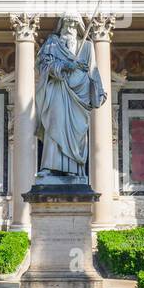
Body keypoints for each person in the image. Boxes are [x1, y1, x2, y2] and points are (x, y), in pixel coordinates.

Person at [35, 17, 107, 182]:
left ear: (79, 27)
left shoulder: (87, 47)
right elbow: (44, 66)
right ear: (61, 25)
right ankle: (49, 167)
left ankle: (72, 170)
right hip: (58, 93)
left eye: (74, 24)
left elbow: (93, 71)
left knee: (77, 134)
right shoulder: (52, 44)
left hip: (78, 99)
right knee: (54, 126)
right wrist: (67, 66)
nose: (70, 27)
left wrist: (98, 92)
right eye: (67, 23)